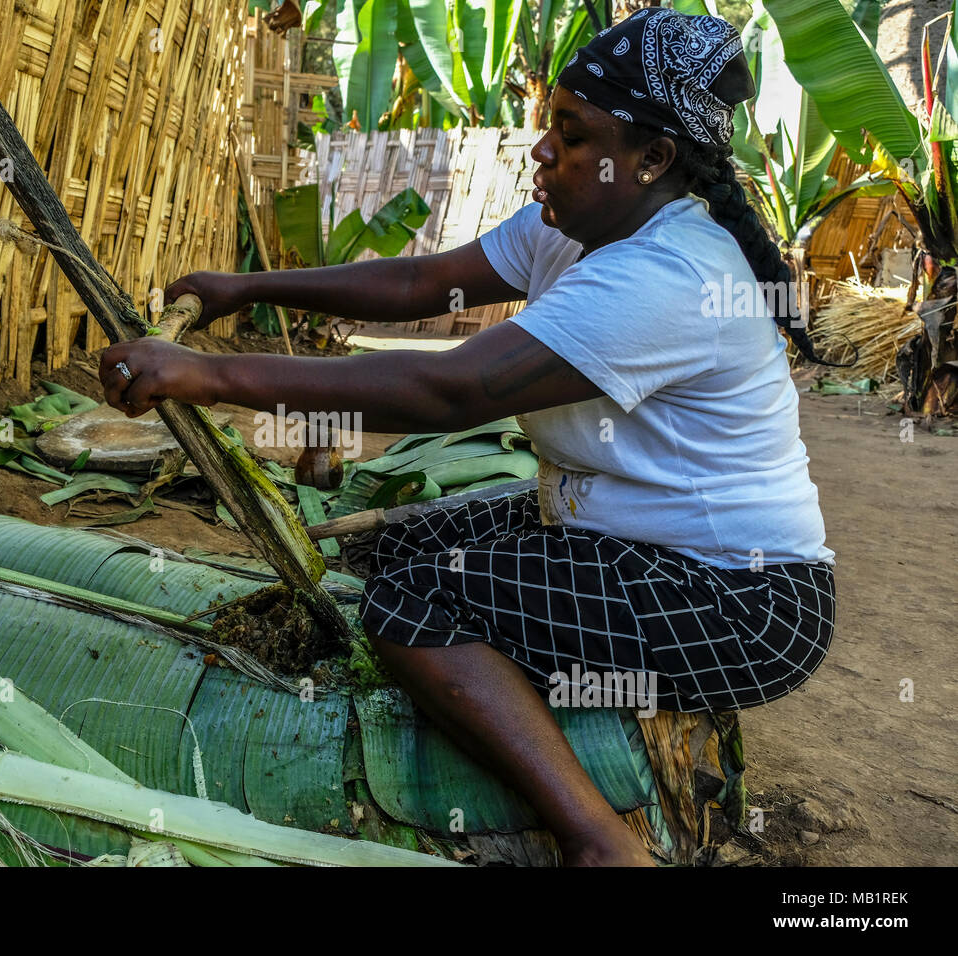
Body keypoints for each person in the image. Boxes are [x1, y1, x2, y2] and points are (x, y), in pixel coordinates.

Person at [98, 9, 836, 866]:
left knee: (413, 605)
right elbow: (426, 279)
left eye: (572, 134)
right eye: (549, 127)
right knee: (397, 548)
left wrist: (211, 375)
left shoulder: (671, 272)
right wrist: (246, 287)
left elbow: (455, 387)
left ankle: (598, 840)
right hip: (626, 540)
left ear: (652, 159)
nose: (542, 152)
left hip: (742, 600)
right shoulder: (577, 228)